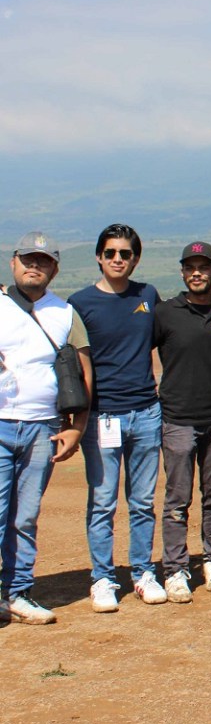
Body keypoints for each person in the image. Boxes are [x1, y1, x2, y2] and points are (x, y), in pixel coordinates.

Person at [69, 224, 167, 611]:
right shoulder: (79, 303)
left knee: (143, 500)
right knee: (103, 501)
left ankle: (142, 572)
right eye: (110, 253)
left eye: (125, 254)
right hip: (101, 417)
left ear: (136, 259)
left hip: (146, 412)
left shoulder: (148, 295)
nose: (117, 260)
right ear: (99, 256)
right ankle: (103, 578)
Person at [0, 232, 92, 625]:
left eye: (43, 260)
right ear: (13, 262)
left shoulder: (65, 313)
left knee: (25, 517)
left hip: (43, 428)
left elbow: (85, 371)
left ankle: (17, 593)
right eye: (27, 259)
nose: (33, 266)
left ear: (54, 268)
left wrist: (78, 426)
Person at [154, 241, 211, 603]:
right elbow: (138, 352)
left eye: (204, 267)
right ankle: (175, 568)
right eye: (190, 266)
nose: (197, 272)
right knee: (177, 498)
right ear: (182, 271)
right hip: (177, 419)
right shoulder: (165, 313)